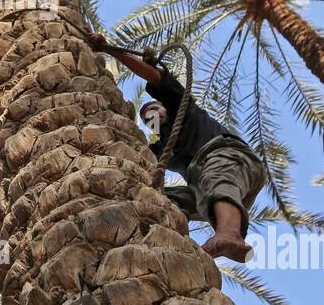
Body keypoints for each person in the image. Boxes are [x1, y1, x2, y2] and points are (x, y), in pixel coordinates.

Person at [91, 35, 266, 263]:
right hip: (201, 185)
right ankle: (165, 250)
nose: (151, 114)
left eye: (154, 108)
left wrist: (111, 50)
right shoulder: (160, 148)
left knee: (215, 177)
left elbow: (154, 76)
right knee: (157, 200)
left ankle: (230, 235)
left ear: (163, 105)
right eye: (146, 116)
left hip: (227, 157)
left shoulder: (182, 107)